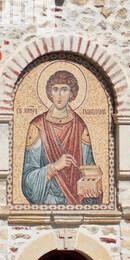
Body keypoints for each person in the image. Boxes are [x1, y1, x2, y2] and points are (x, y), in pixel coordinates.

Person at [21, 68, 101, 205]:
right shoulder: (38, 126)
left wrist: (92, 190)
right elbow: (28, 179)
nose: (59, 95)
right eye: (55, 89)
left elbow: (89, 170)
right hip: (48, 200)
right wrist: (54, 167)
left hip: (75, 202)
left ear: (71, 94)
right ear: (49, 93)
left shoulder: (80, 126)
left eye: (64, 89)